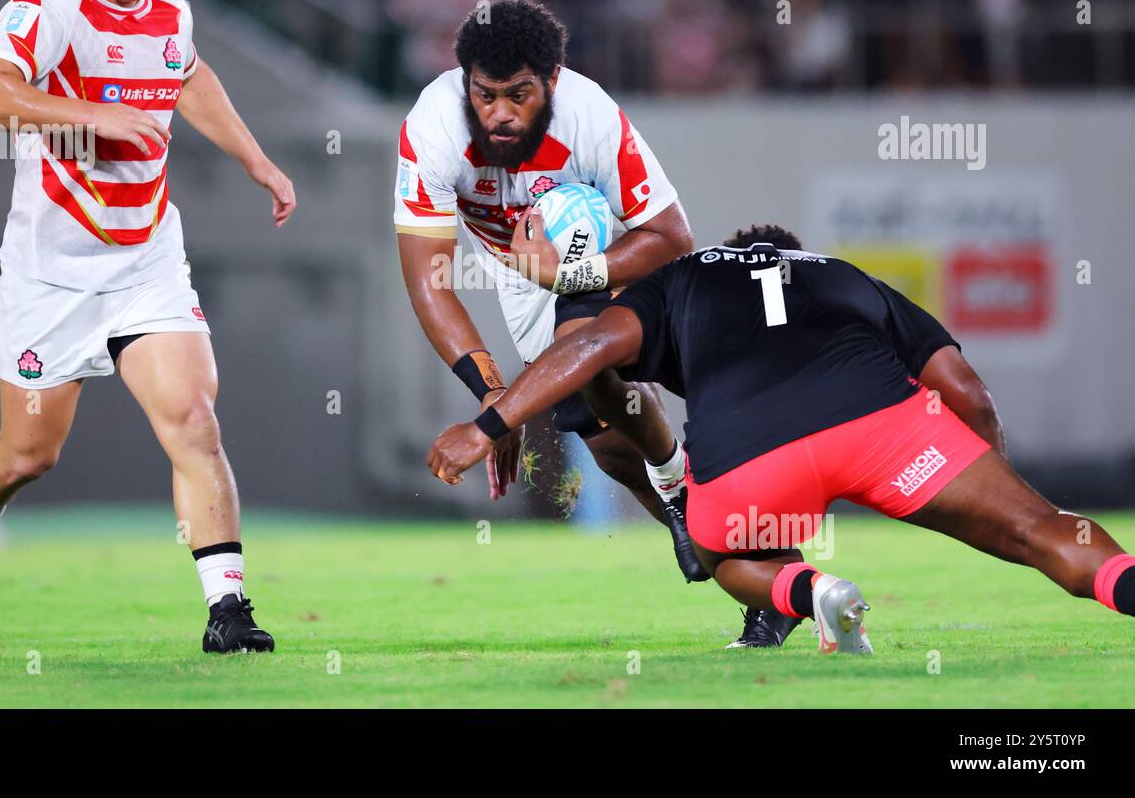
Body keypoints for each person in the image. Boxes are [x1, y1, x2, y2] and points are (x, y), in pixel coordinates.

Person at [428, 225, 1135, 653]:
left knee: (715, 553)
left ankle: (814, 591)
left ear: (727, 255)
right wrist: (986, 485)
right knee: (1041, 531)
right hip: (884, 431)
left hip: (750, 454)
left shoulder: (680, 280)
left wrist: (488, 422)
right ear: (797, 259)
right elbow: (967, 389)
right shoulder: (851, 277)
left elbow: (585, 354)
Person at [0, 0, 295, 654]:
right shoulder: (45, 7)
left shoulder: (168, 11)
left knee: (194, 419)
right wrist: (93, 116)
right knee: (29, 454)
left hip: (146, 261)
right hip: (51, 274)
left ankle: (227, 611)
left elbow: (188, 77)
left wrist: (255, 159)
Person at [395, 0, 798, 649]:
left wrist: (569, 279)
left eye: (519, 95)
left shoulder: (590, 116)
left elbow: (670, 235)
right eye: (485, 94)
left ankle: (680, 487)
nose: (499, 113)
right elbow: (429, 283)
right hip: (516, 269)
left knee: (585, 357)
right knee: (605, 440)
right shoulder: (434, 126)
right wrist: (493, 391)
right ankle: (746, 556)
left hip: (607, 252)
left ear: (552, 82)